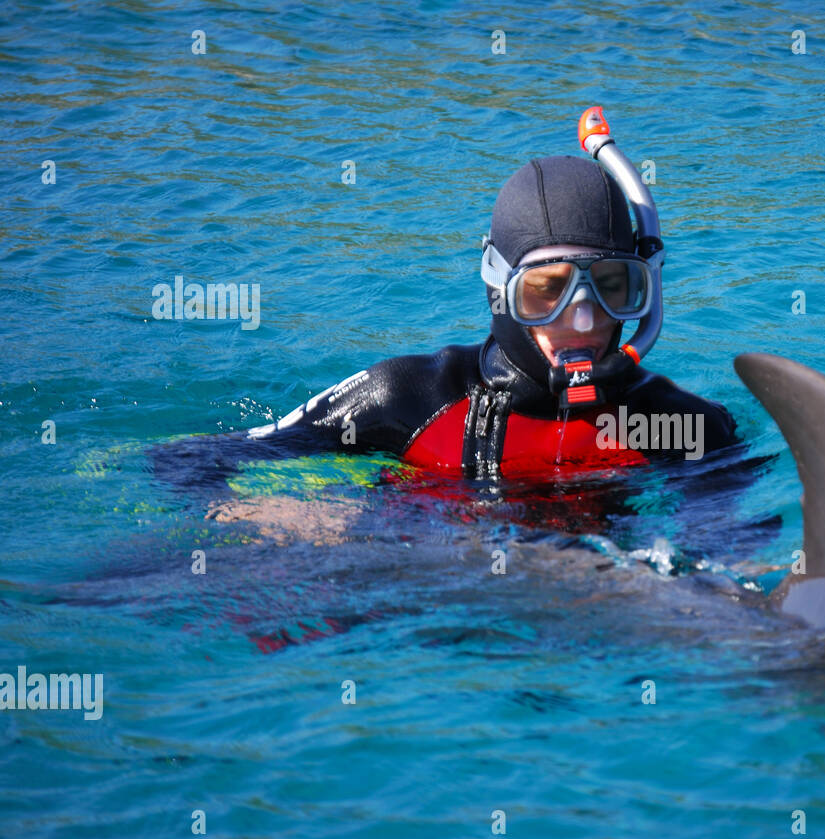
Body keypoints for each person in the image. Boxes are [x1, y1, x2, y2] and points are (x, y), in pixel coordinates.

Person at [153, 112, 744, 533]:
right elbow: (190, 465)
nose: (584, 319)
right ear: (499, 291)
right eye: (547, 292)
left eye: (615, 288)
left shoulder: (681, 425)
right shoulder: (409, 396)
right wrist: (284, 514)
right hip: (403, 595)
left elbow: (728, 552)